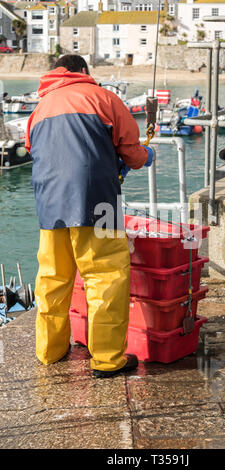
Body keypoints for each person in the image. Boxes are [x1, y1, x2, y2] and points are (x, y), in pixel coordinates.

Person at [25, 54, 154, 378]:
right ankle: (108, 360)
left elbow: (36, 151)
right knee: (105, 278)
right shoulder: (104, 98)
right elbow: (132, 152)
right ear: (83, 71)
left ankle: (50, 351)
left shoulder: (39, 109)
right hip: (98, 202)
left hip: (50, 204)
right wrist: (146, 155)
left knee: (52, 279)